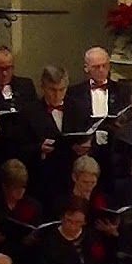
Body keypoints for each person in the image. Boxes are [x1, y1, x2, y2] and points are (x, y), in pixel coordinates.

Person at [19, 65, 92, 206]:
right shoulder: (29, 112)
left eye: (62, 90)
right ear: (42, 87)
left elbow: (87, 135)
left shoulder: (78, 108)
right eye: (52, 90)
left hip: (72, 176)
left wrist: (86, 147)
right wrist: (39, 148)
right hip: (43, 178)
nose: (57, 95)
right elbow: (19, 148)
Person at [40, 197, 117, 264]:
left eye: (78, 222)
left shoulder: (92, 236)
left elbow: (103, 261)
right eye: (69, 221)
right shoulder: (50, 239)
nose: (72, 227)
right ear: (61, 218)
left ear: (84, 221)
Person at [0, 46, 38, 193]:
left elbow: (34, 113)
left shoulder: (25, 86)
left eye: (9, 68)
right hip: (0, 147)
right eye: (0, 69)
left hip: (26, 147)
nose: (5, 73)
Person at [65, 47, 132, 164]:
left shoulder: (124, 91)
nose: (101, 70)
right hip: (85, 149)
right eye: (96, 67)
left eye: (104, 66)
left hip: (114, 148)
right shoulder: (73, 93)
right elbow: (70, 124)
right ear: (86, 68)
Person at [0, 159, 44, 264]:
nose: (20, 191)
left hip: (24, 263)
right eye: (15, 187)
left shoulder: (33, 206)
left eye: (23, 186)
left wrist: (33, 239)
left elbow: (38, 236)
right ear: (5, 186)